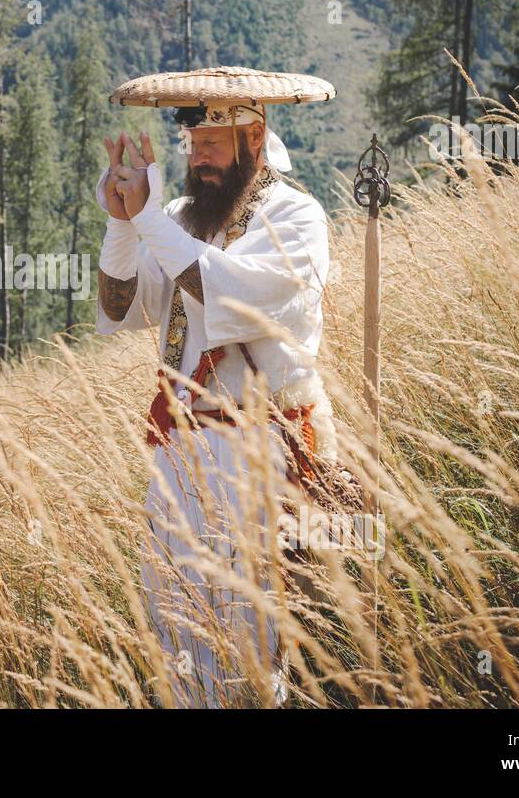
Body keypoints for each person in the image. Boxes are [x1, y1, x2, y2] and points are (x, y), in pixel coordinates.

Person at [95, 102, 333, 707]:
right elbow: (122, 306)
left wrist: (148, 219)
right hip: (179, 446)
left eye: (213, 143)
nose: (197, 157)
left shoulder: (295, 217)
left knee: (246, 621)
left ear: (254, 138)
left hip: (255, 448)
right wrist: (122, 222)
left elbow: (217, 290)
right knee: (173, 611)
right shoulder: (179, 217)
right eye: (192, 142)